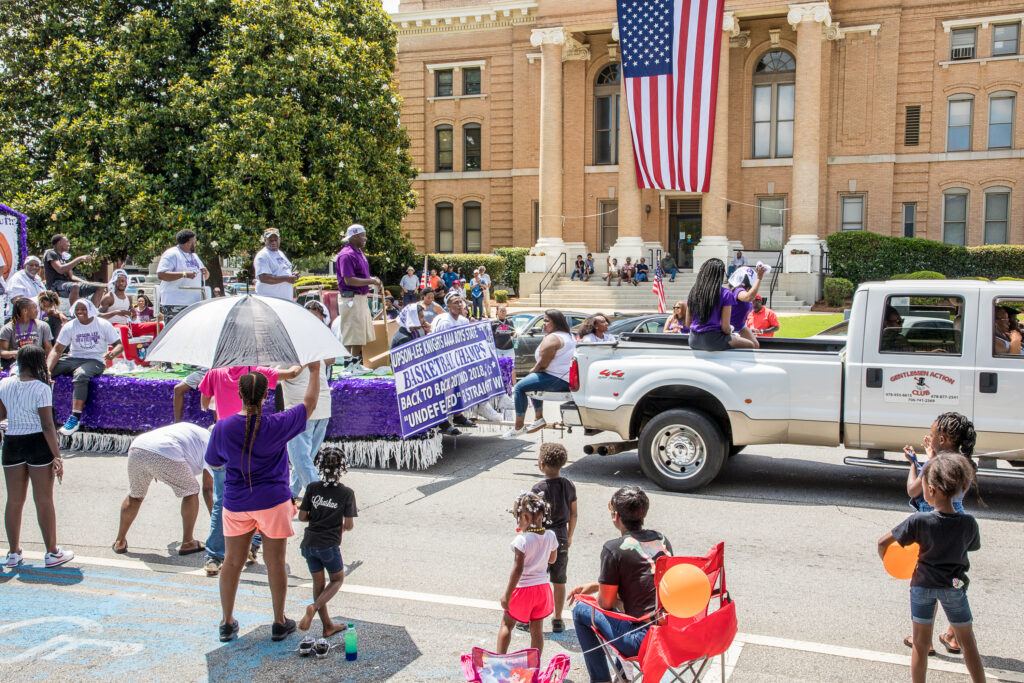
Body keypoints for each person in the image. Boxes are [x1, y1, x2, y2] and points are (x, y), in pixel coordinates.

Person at [205, 362, 321, 643]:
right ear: (265, 395)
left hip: (237, 501)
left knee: (232, 562)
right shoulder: (277, 423)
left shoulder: (223, 427)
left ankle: (226, 621)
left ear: (240, 394)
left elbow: (213, 461)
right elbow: (309, 403)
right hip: (273, 501)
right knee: (275, 562)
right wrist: (315, 372)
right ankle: (279, 621)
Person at [878, 454, 985, 683]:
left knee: (920, 643)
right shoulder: (969, 523)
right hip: (954, 585)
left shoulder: (919, 521)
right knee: (968, 644)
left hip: (922, 584)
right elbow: (972, 547)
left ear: (932, 490)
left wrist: (889, 561)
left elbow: (882, 543)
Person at [199, 363, 303, 577]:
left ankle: (215, 555)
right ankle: (254, 542)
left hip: (226, 440)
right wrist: (303, 365)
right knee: (261, 500)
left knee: (223, 501)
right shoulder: (256, 374)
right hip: (256, 440)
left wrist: (222, 410)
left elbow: (204, 403)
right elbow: (292, 374)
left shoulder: (215, 372)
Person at [570, 486, 672, 683]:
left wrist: (608, 594)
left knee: (581, 610)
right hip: (670, 633)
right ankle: (623, 674)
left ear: (616, 516)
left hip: (641, 641)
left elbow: (605, 605)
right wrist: (598, 586)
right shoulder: (661, 540)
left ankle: (601, 680)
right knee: (626, 611)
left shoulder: (613, 549)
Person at [903, 413, 980, 656]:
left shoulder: (934, 466)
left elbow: (913, 489)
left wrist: (914, 464)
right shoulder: (962, 465)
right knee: (955, 579)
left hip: (933, 528)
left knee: (928, 578)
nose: (930, 436)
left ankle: (923, 641)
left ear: (944, 439)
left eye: (933, 434)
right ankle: (953, 635)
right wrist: (929, 459)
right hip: (957, 529)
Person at [1, 345, 74, 569]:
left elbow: (2, 415)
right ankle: (52, 553)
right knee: (43, 499)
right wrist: (57, 456)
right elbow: (47, 425)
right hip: (37, 443)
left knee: (14, 500)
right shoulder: (42, 388)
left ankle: (13, 553)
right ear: (39, 363)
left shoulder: (3, 383)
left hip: (12, 441)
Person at [112, 422, 212, 556]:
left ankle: (119, 541)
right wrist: (221, 526)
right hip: (164, 450)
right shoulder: (213, 445)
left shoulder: (197, 432)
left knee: (135, 495)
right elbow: (208, 489)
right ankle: (188, 542)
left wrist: (157, 468)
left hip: (138, 446)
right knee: (191, 491)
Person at [297, 445, 357, 638]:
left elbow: (303, 517)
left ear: (320, 467)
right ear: (342, 468)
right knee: (337, 579)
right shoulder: (346, 493)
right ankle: (313, 608)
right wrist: (339, 525)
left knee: (318, 585)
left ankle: (327, 626)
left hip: (309, 544)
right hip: (329, 545)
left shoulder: (313, 488)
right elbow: (349, 525)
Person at [47, 299, 124, 435]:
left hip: (95, 360)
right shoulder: (70, 326)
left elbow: (119, 344)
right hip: (74, 358)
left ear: (90, 309)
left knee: (81, 375)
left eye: (83, 309)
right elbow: (57, 350)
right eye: (77, 309)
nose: (80, 312)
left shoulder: (102, 324)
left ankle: (74, 419)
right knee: (42, 371)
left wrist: (113, 353)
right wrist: (47, 370)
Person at [283, 304, 335, 503]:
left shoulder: (294, 345)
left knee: (301, 459)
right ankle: (291, 495)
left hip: (303, 409)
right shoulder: (315, 342)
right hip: (318, 406)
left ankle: (320, 499)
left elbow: (282, 373)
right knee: (305, 458)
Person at [497, 492, 558, 656]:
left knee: (506, 625)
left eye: (518, 517)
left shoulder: (522, 540)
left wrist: (507, 596)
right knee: (536, 630)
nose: (517, 521)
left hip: (523, 589)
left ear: (526, 517)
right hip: (542, 590)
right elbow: (552, 560)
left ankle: (500, 662)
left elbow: (517, 570)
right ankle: (534, 667)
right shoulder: (551, 536)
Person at [503, 310, 576, 438]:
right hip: (563, 378)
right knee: (532, 383)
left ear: (557, 323)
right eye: (543, 321)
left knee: (520, 387)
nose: (543, 324)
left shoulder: (553, 338)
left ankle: (519, 427)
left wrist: (531, 372)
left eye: (547, 321)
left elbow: (542, 365)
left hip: (556, 378)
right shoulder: (568, 336)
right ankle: (538, 419)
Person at [531, 443, 577, 634]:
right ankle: (557, 618)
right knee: (559, 579)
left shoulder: (538, 488)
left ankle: (532, 616)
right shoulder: (568, 485)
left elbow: (533, 517)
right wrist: (569, 535)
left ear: (541, 464)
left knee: (537, 577)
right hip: (561, 536)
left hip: (542, 536)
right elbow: (574, 514)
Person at [335, 224, 382, 374]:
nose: (365, 238)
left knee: (360, 332)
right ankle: (349, 365)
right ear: (354, 237)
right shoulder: (346, 255)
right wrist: (371, 281)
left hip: (359, 297)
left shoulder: (359, 252)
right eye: (362, 235)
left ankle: (355, 362)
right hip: (351, 298)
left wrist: (371, 281)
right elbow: (349, 280)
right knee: (352, 331)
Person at [685, 258, 755, 351]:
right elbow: (725, 328)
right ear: (720, 275)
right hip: (714, 340)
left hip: (693, 340)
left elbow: (688, 323)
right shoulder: (726, 294)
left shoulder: (693, 292)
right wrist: (732, 334)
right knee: (751, 345)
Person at [157, 229, 208, 325]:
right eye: (194, 241)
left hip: (194, 302)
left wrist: (205, 273)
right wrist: (184, 274)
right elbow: (161, 274)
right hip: (176, 303)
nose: (196, 244)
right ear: (188, 243)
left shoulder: (194, 256)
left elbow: (204, 276)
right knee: (175, 333)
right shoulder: (172, 254)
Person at [43, 234, 102, 306]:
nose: (69, 244)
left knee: (100, 286)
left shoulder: (64, 257)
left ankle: (91, 312)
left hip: (67, 285)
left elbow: (71, 277)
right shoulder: (51, 253)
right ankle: (75, 312)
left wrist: (86, 283)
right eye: (67, 241)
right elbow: (60, 269)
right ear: (59, 243)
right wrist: (79, 259)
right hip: (55, 285)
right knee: (74, 286)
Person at [1, 298, 53, 369]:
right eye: (34, 308)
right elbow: (2, 351)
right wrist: (16, 353)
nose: (38, 311)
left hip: (37, 361)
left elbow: (48, 349)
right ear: (25, 311)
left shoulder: (43, 326)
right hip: (17, 362)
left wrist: (47, 367)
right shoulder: (7, 328)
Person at [727, 265, 767, 348]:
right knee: (750, 346)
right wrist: (759, 278)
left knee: (755, 345)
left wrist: (757, 275)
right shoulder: (737, 290)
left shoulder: (744, 290)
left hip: (740, 326)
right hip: (729, 327)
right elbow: (748, 297)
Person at [253, 228, 297, 301]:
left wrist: (293, 275)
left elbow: (283, 272)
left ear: (279, 240)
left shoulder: (281, 254)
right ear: (265, 240)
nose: (273, 242)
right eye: (270, 240)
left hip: (284, 300)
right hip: (270, 300)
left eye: (275, 240)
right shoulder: (263, 255)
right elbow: (264, 278)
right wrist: (286, 278)